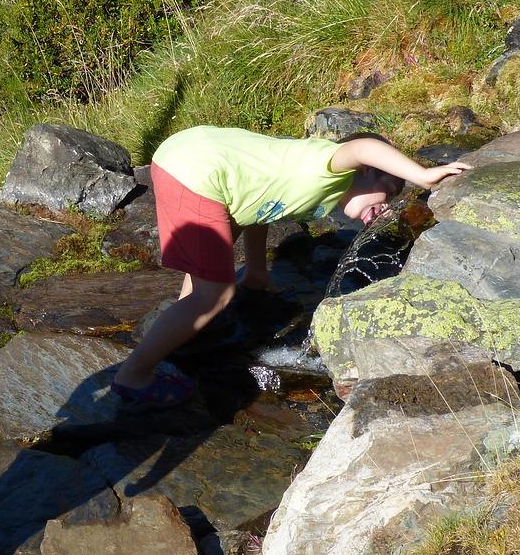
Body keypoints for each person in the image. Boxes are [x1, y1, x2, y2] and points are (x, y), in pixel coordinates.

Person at [110, 125, 471, 407]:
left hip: (192, 161)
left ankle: (178, 339)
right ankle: (134, 375)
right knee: (216, 294)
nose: (387, 205)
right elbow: (363, 146)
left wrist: (256, 272)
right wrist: (422, 174)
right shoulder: (328, 167)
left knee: (213, 261)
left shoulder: (313, 187)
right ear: (367, 170)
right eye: (389, 190)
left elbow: (260, 212)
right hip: (197, 169)